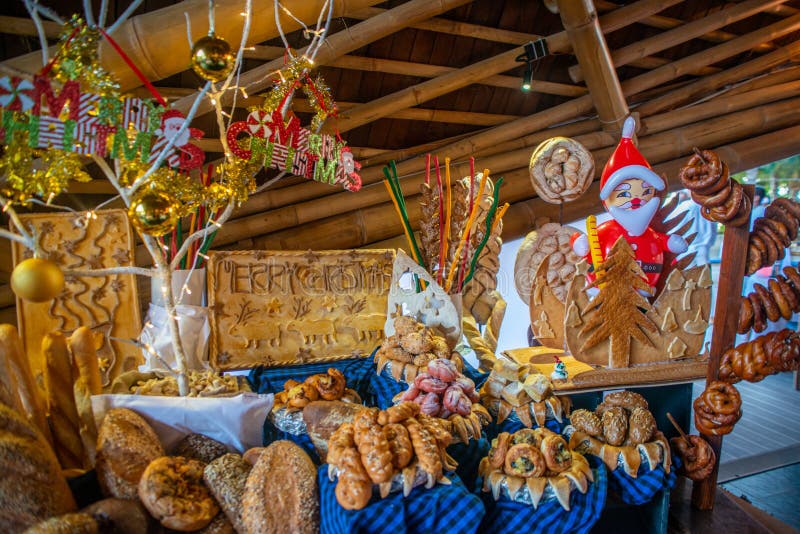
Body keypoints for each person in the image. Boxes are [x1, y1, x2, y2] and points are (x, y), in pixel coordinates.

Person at [571, 116, 687, 295]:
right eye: (625, 194)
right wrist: (579, 242)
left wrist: (670, 242)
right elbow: (585, 242)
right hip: (605, 290)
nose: (635, 200)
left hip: (644, 291)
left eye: (644, 192)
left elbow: (660, 241)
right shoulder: (605, 231)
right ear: (607, 199)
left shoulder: (650, 234)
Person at [674, 190, 718, 268]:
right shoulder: (710, 208)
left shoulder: (685, 206)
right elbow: (713, 231)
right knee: (705, 278)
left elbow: (674, 228)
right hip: (703, 252)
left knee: (686, 279)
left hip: (686, 252)